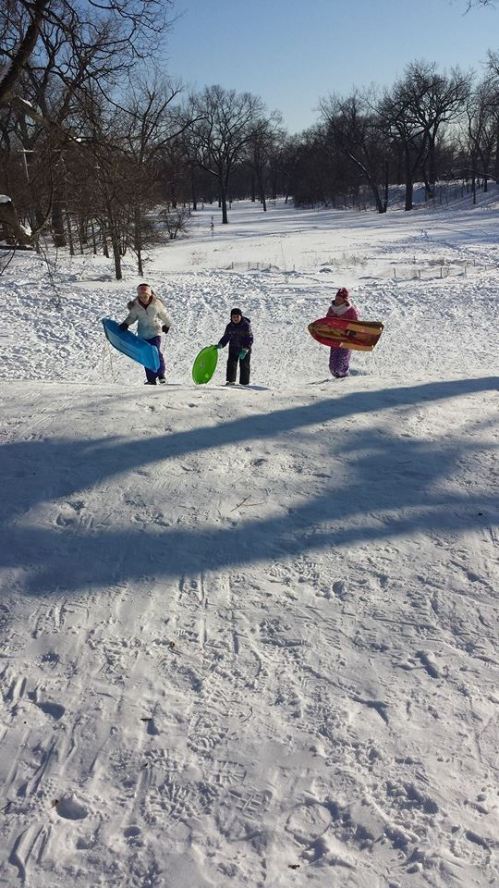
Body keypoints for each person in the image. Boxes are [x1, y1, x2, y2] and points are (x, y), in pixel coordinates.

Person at [120, 283, 171, 385]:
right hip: (143, 334)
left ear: (150, 294)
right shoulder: (136, 306)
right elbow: (132, 317)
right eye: (141, 296)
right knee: (146, 356)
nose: (143, 298)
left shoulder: (156, 304)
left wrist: (167, 324)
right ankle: (151, 379)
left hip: (155, 332)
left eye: (145, 296)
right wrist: (126, 324)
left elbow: (164, 315)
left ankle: (161, 375)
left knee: (155, 353)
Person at [215, 307, 253, 385]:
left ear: (241, 316)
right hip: (233, 347)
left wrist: (246, 349)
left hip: (244, 349)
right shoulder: (229, 326)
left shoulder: (246, 325)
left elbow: (249, 338)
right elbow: (226, 337)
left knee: (244, 365)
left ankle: (244, 383)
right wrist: (221, 344)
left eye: (237, 317)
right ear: (231, 317)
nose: (235, 318)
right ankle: (231, 381)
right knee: (231, 364)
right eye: (233, 317)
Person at [327, 287, 359, 378]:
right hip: (335, 337)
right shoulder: (331, 309)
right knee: (333, 365)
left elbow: (356, 323)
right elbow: (327, 321)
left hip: (346, 339)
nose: (337, 300)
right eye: (336, 298)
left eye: (339, 299)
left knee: (341, 362)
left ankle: (345, 377)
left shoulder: (350, 310)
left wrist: (351, 332)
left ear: (344, 300)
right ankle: (336, 376)